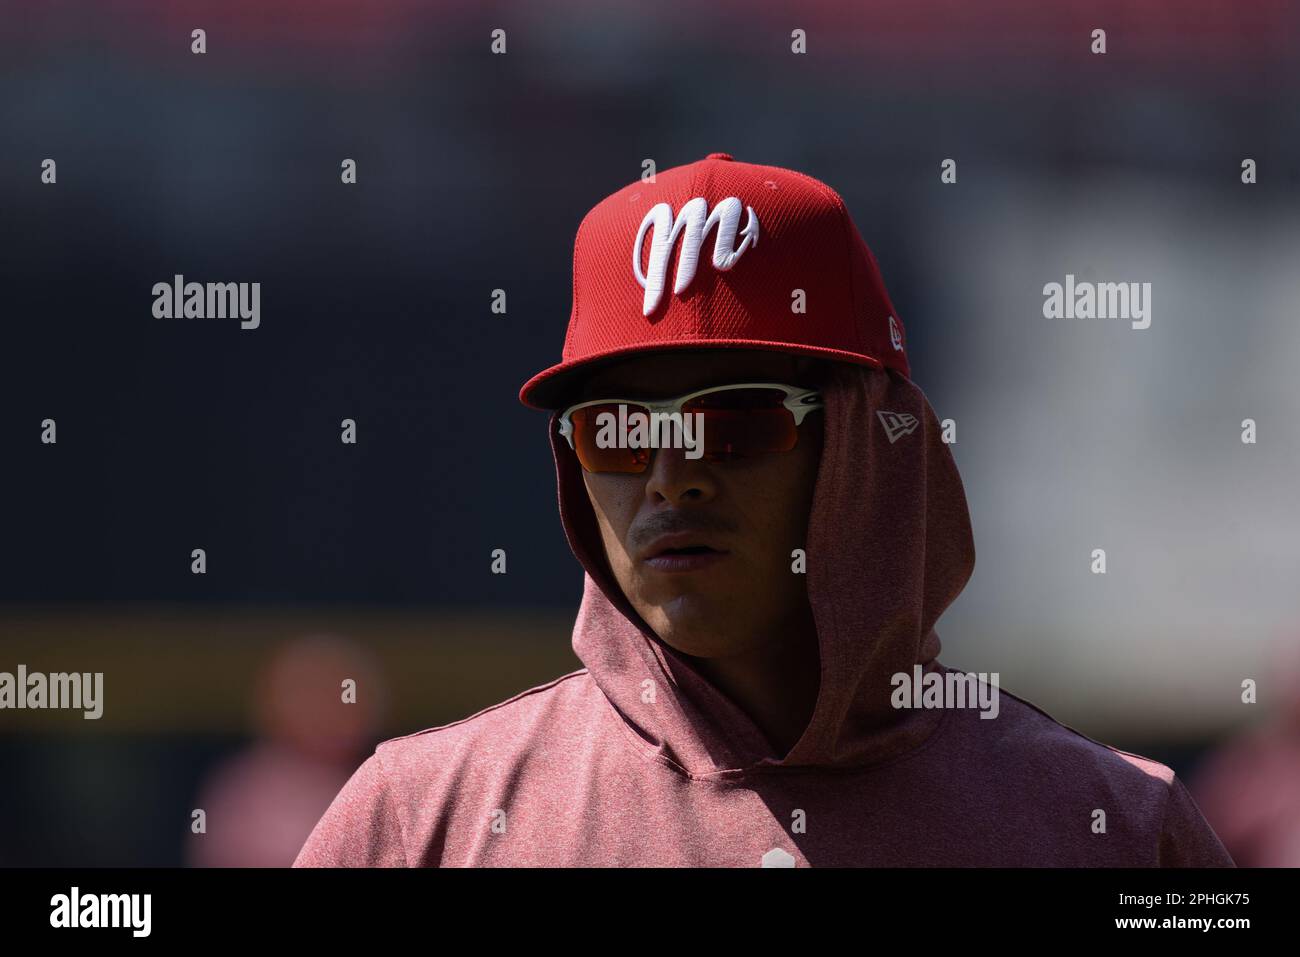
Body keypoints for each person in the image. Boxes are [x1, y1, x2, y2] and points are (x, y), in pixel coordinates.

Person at [294, 152, 1232, 866]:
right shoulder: (420, 822)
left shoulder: (1109, 826)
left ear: (871, 445)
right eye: (615, 428)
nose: (671, 477)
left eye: (736, 421)